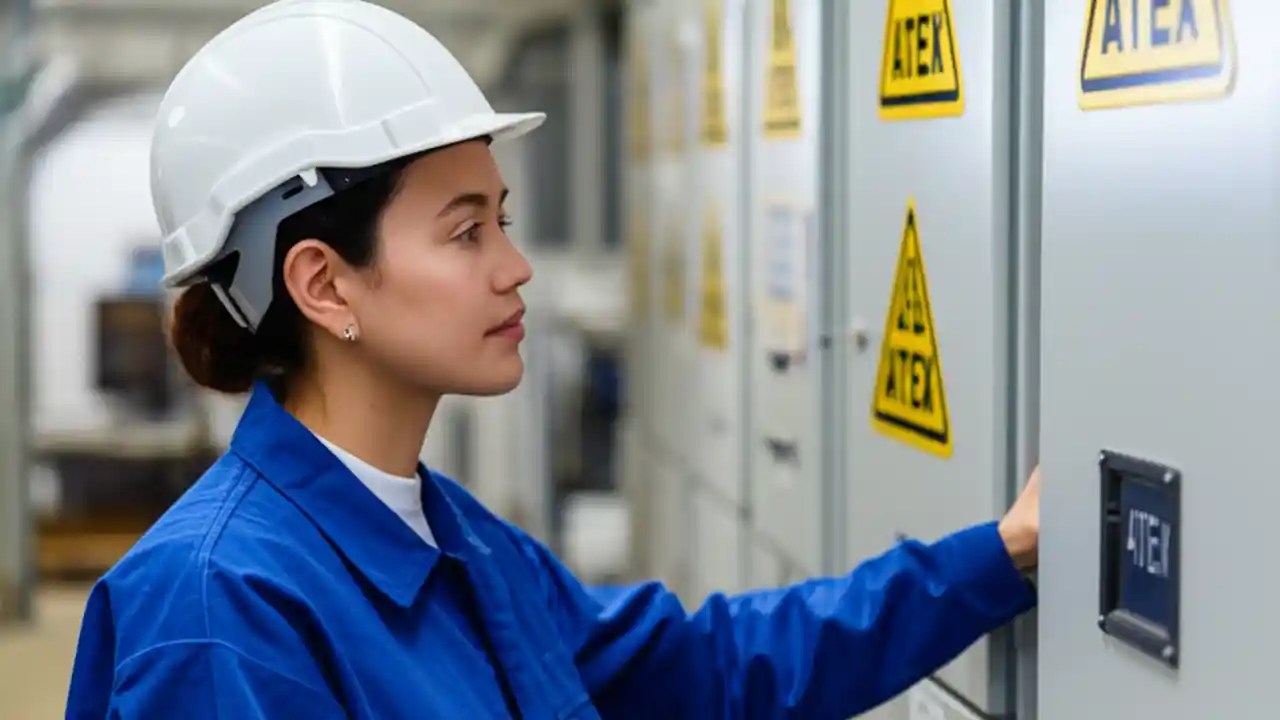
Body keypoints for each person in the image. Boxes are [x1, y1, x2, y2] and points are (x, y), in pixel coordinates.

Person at [65, 2, 1041, 718]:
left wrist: (994, 557)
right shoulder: (216, 610)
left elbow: (708, 668)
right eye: (465, 232)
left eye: (504, 222)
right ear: (324, 284)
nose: (516, 268)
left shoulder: (463, 549)